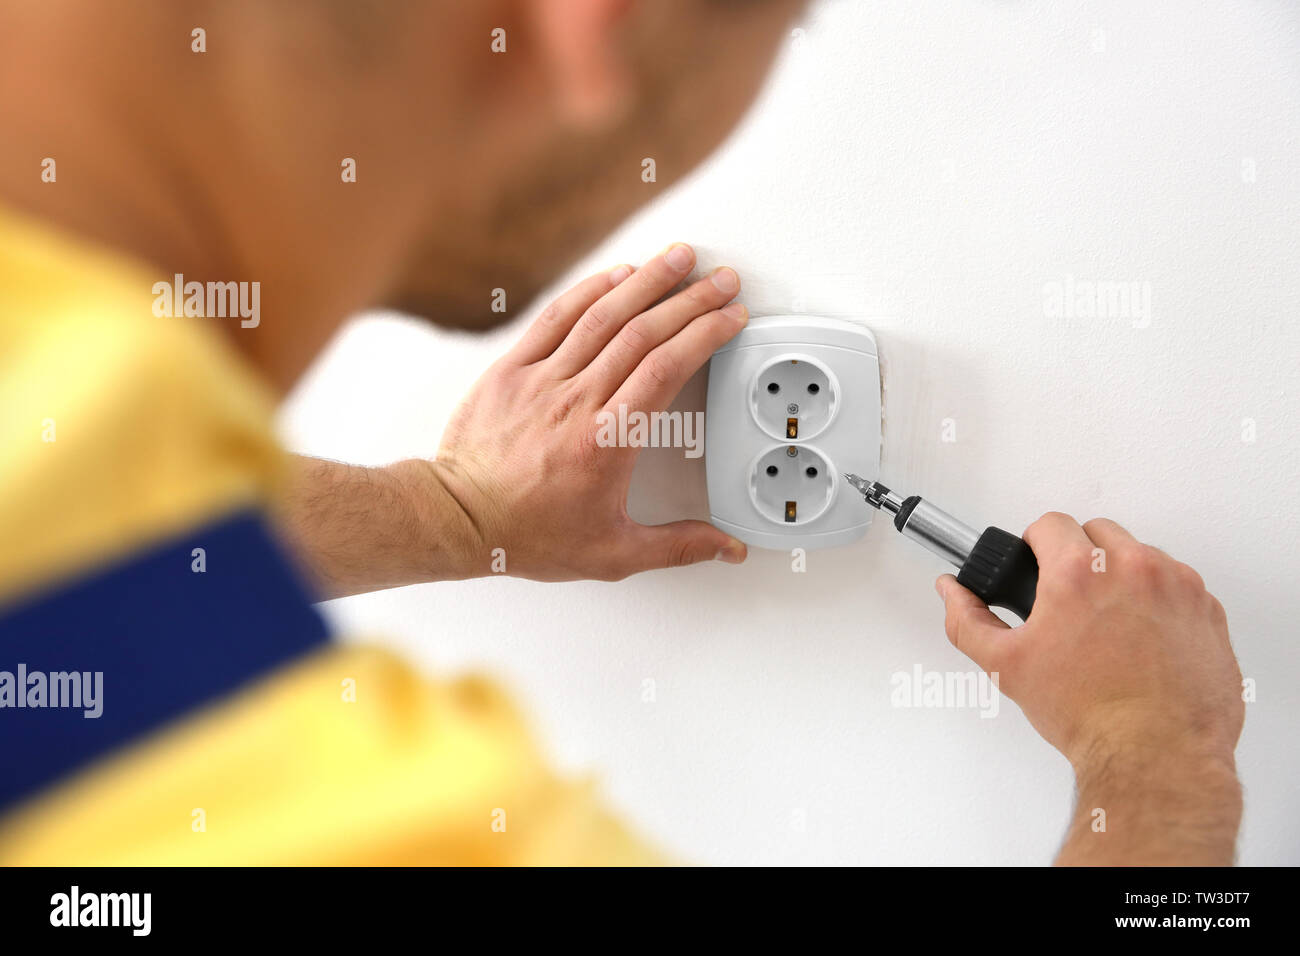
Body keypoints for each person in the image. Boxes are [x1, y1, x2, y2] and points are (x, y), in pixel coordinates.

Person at [0, 0, 1242, 865]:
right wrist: (1156, 757)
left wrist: (455, 513)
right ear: (599, 21)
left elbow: (92, 556)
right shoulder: (323, 823)